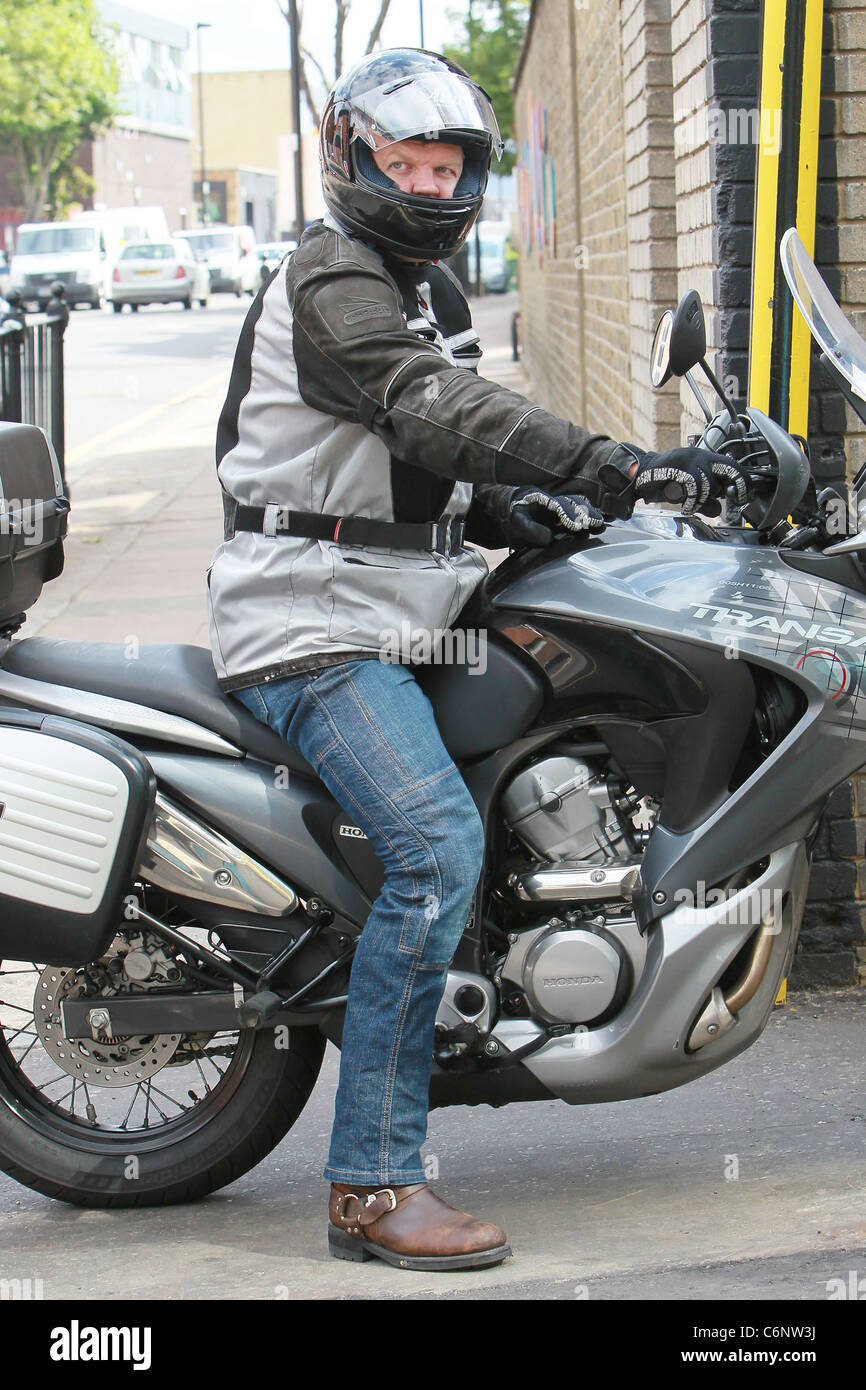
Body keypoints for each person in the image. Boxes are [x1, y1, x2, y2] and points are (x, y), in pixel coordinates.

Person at [205, 47, 747, 1273]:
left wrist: (524, 512)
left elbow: (423, 463)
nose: (427, 180)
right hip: (312, 624)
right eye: (403, 159)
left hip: (397, 603)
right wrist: (604, 461)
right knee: (435, 845)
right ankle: (371, 1186)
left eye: (445, 163)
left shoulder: (420, 287)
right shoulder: (337, 280)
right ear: (352, 161)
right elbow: (424, 408)